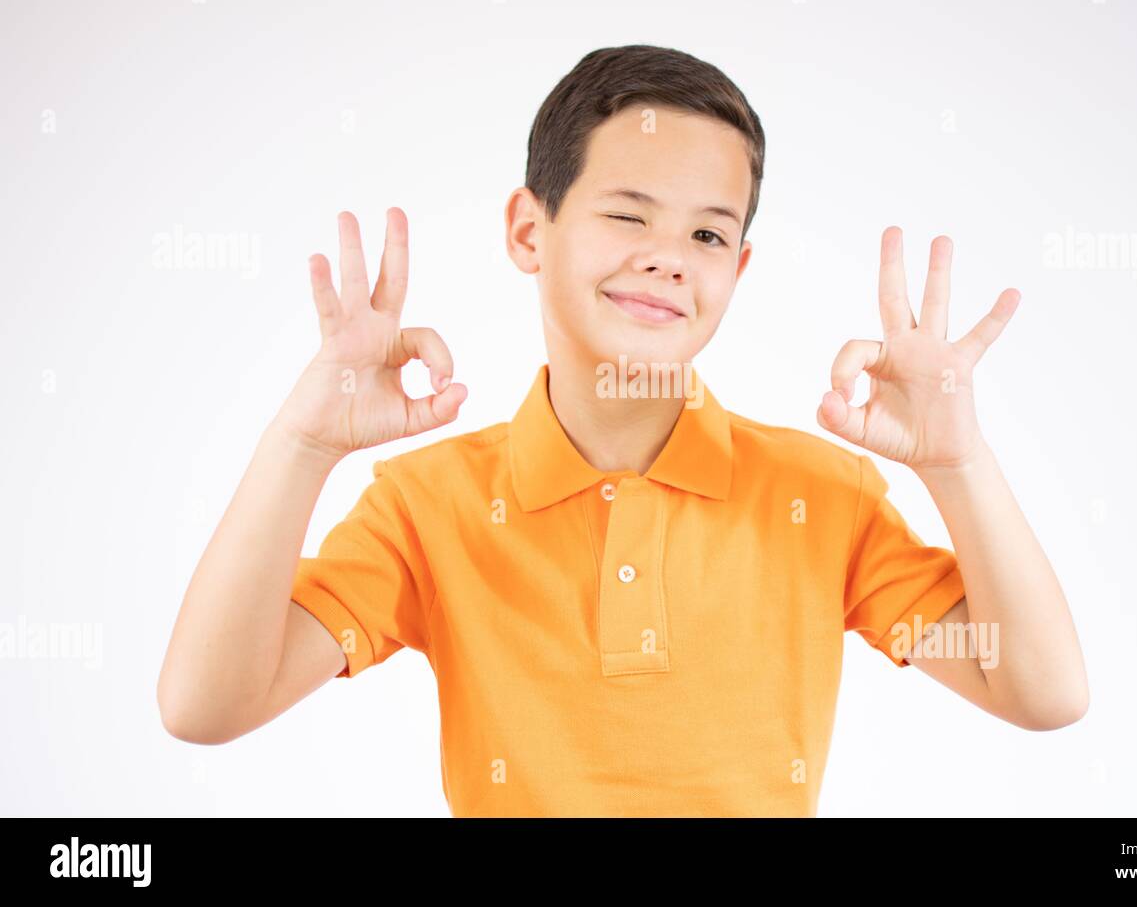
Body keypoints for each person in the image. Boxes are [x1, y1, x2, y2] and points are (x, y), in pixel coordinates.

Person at [157, 43, 1087, 816]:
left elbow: (1042, 693)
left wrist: (960, 465)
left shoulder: (820, 496)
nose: (666, 261)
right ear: (529, 230)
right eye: (628, 215)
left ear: (739, 266)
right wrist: (303, 445)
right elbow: (206, 707)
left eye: (708, 237)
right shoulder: (426, 506)